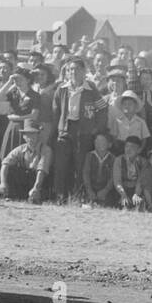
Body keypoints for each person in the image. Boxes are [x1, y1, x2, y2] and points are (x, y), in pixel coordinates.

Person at [50, 56, 104, 203]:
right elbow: (55, 112)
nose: (73, 72)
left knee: (80, 164)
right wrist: (58, 129)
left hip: (83, 131)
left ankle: (79, 196)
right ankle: (60, 196)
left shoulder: (91, 88)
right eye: (70, 69)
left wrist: (96, 128)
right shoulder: (61, 89)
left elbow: (103, 108)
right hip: (65, 130)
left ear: (84, 71)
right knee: (61, 164)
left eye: (77, 69)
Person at [0, 122, 51, 203]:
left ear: (38, 135)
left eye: (33, 134)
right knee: (11, 169)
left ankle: (35, 196)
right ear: (24, 137)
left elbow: (42, 170)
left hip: (39, 182)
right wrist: (3, 182)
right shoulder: (20, 149)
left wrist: (36, 188)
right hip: (24, 183)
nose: (31, 138)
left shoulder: (46, 150)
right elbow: (5, 163)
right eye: (28, 135)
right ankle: (10, 195)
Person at [80, 131, 117, 207]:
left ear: (109, 144)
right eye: (97, 141)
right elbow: (86, 174)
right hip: (91, 187)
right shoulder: (89, 156)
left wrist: (105, 190)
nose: (99, 143)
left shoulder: (113, 158)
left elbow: (113, 178)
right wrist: (89, 190)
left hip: (105, 188)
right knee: (85, 203)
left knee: (107, 204)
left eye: (102, 141)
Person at [112, 136, 147, 210]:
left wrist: (136, 194)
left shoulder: (142, 162)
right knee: (123, 205)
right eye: (127, 146)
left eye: (133, 147)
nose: (129, 149)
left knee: (139, 205)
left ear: (139, 150)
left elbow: (141, 180)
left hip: (137, 190)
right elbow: (117, 181)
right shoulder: (119, 160)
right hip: (122, 190)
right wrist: (123, 195)